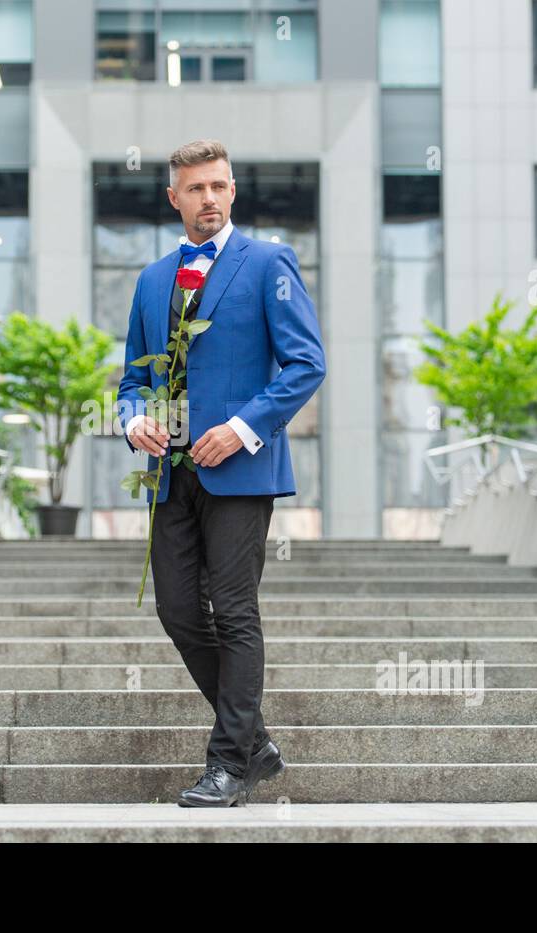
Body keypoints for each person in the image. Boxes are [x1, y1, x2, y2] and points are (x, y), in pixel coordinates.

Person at [117, 139, 326, 807]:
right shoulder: (152, 282)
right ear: (173, 197)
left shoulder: (270, 263)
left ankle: (230, 762)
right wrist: (131, 421)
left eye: (220, 186)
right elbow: (130, 380)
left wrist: (241, 428)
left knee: (235, 612)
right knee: (178, 611)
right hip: (168, 476)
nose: (209, 198)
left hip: (242, 474)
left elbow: (306, 364)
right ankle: (256, 741)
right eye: (196, 188)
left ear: (232, 192)